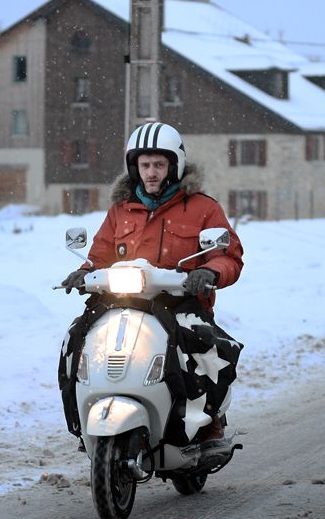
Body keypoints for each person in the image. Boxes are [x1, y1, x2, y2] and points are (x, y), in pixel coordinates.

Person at [59, 122, 243, 446]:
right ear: (135, 168)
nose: (152, 172)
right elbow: (100, 254)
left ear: (175, 165)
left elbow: (229, 255)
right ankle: (83, 418)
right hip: (123, 300)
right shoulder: (121, 210)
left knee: (204, 346)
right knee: (75, 340)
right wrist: (83, 271)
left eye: (159, 164)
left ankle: (208, 422)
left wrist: (210, 273)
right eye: (145, 165)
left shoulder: (202, 207)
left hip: (180, 302)